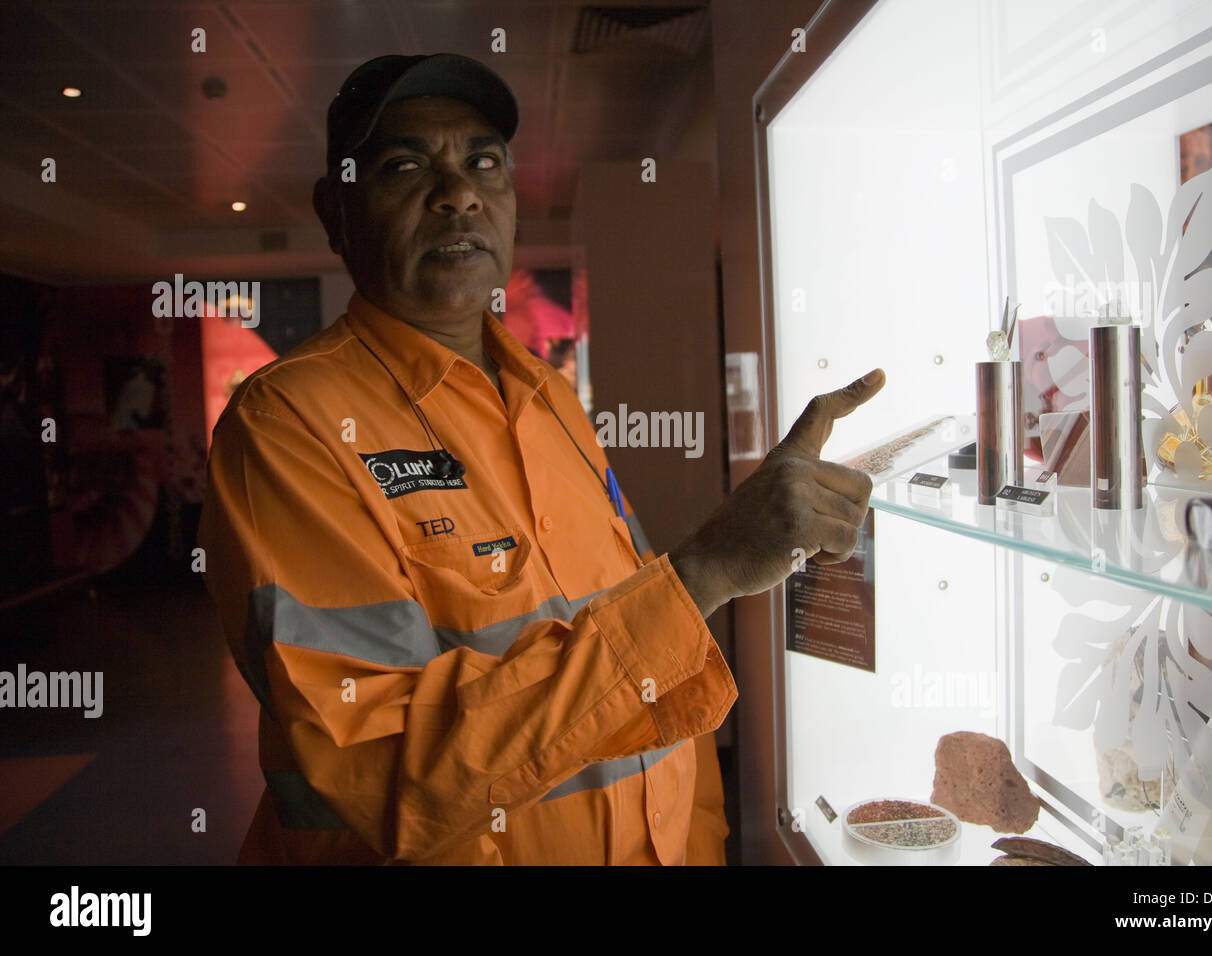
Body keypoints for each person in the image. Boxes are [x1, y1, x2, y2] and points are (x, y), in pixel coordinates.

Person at [197, 52, 884, 865]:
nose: (458, 193)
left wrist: (701, 842)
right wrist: (703, 570)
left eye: (483, 161)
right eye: (404, 165)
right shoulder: (289, 425)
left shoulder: (548, 397)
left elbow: (645, 678)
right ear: (335, 212)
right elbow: (390, 778)